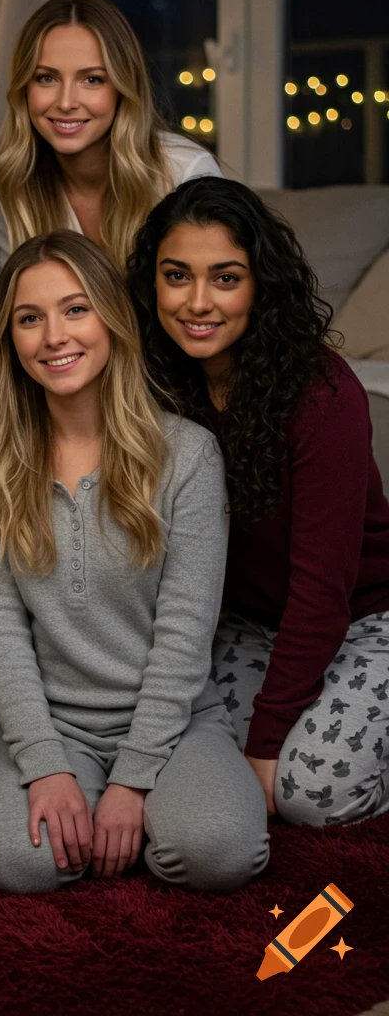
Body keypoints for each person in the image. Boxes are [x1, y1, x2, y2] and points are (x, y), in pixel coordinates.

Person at [0, 230, 268, 895]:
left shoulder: (185, 456)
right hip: (48, 724)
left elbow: (186, 632)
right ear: (9, 339)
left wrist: (132, 780)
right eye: (29, 318)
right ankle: (102, 815)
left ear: (112, 318)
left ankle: (145, 816)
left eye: (75, 309)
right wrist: (44, 765)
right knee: (24, 862)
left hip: (175, 721)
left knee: (219, 851)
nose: (53, 337)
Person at [128, 176, 389, 827]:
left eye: (225, 278)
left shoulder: (322, 398)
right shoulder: (154, 385)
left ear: (261, 285)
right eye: (176, 275)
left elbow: (322, 593)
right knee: (165, 755)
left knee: (306, 794)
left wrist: (268, 741)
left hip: (363, 617)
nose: (197, 302)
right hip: (247, 627)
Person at [0, 0, 220, 273]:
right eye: (46, 78)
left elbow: (206, 302)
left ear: (122, 87)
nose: (65, 102)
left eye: (92, 79)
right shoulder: (8, 188)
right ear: (24, 88)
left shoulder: (184, 173)